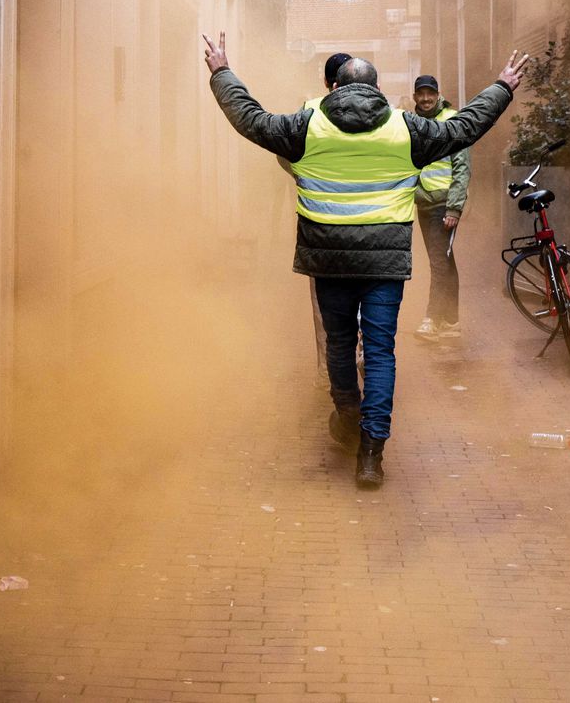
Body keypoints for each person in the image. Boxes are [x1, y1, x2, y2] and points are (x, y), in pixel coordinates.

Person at [202, 32, 528, 487]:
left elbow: (250, 119)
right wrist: (502, 87)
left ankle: (348, 416)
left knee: (339, 345)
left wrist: (221, 72)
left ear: (336, 87)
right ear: (376, 90)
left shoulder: (308, 125)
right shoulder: (405, 128)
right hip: (383, 266)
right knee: (379, 353)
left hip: (329, 261)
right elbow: (464, 128)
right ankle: (372, 454)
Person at [296, 53, 352, 391]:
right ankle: (361, 359)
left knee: (324, 303)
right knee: (365, 296)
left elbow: (287, 157)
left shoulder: (310, 111)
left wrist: (310, 180)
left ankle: (327, 369)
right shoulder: (381, 113)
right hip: (370, 222)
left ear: (327, 82)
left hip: (319, 221)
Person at [411, 75, 467, 341]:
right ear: (414, 97)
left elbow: (462, 168)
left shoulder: (452, 120)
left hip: (443, 205)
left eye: (429, 94)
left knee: (438, 262)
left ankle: (433, 318)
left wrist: (454, 208)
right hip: (424, 204)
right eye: (420, 94)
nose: (425, 99)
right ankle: (451, 321)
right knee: (445, 261)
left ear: (438, 94)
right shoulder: (415, 124)